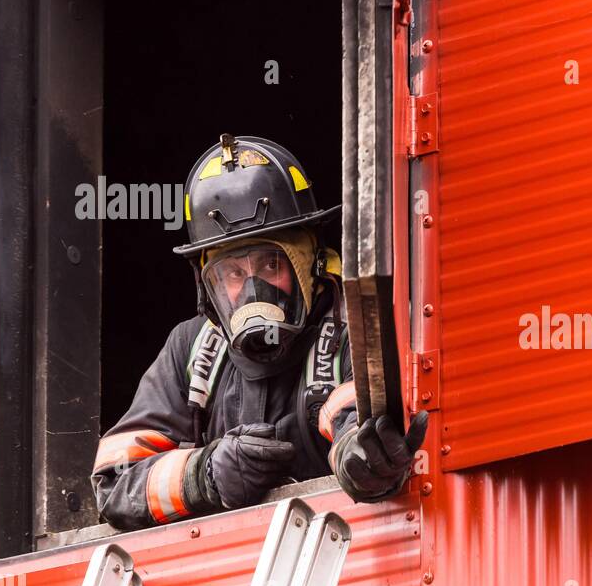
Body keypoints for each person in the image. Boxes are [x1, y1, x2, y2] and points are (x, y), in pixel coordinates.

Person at [91, 133, 427, 530]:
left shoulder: (356, 328)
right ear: (207, 285)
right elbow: (114, 484)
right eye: (233, 273)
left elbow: (354, 420)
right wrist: (206, 475)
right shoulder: (192, 349)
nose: (252, 290)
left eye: (270, 265)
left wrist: (363, 459)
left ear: (309, 263)